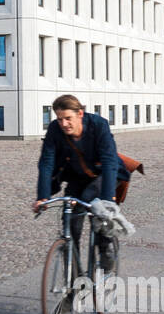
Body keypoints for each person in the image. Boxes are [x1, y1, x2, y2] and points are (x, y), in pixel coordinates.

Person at [32, 95, 130, 271]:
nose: (63, 124)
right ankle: (73, 284)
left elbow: (109, 160)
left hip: (104, 175)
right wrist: (43, 197)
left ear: (80, 114)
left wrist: (107, 199)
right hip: (77, 177)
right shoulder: (55, 129)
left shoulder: (98, 125)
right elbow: (46, 161)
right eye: (59, 119)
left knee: (94, 205)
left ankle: (105, 247)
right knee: (69, 222)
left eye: (68, 118)